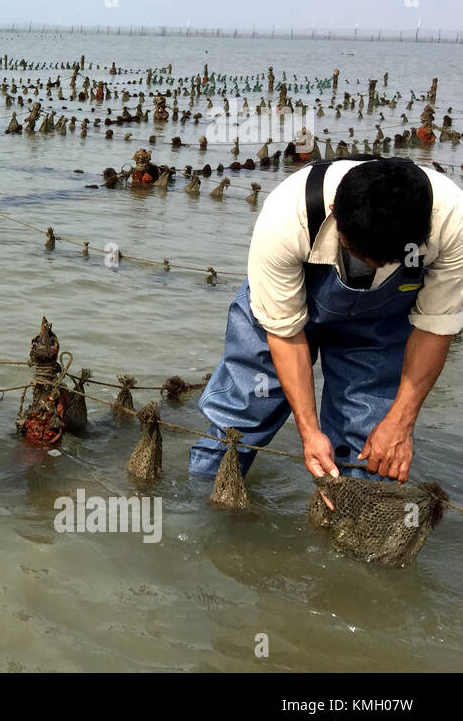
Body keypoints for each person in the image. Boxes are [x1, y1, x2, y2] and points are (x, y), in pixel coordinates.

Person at [190, 156, 463, 485]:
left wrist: (401, 423)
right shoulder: (287, 216)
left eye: (386, 260)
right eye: (362, 254)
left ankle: (348, 516)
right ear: (335, 210)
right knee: (248, 407)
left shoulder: (452, 222)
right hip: (288, 306)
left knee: (371, 440)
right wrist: (309, 432)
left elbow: (434, 327)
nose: (374, 266)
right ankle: (202, 496)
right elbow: (284, 333)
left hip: (381, 322)